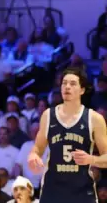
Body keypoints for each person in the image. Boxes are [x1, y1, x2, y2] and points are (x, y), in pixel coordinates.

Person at [28, 66, 107, 202]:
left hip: (82, 192)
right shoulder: (48, 115)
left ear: (82, 90)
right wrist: (33, 155)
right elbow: (38, 148)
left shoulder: (94, 118)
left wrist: (91, 159)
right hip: (52, 190)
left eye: (72, 83)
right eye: (64, 83)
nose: (67, 87)